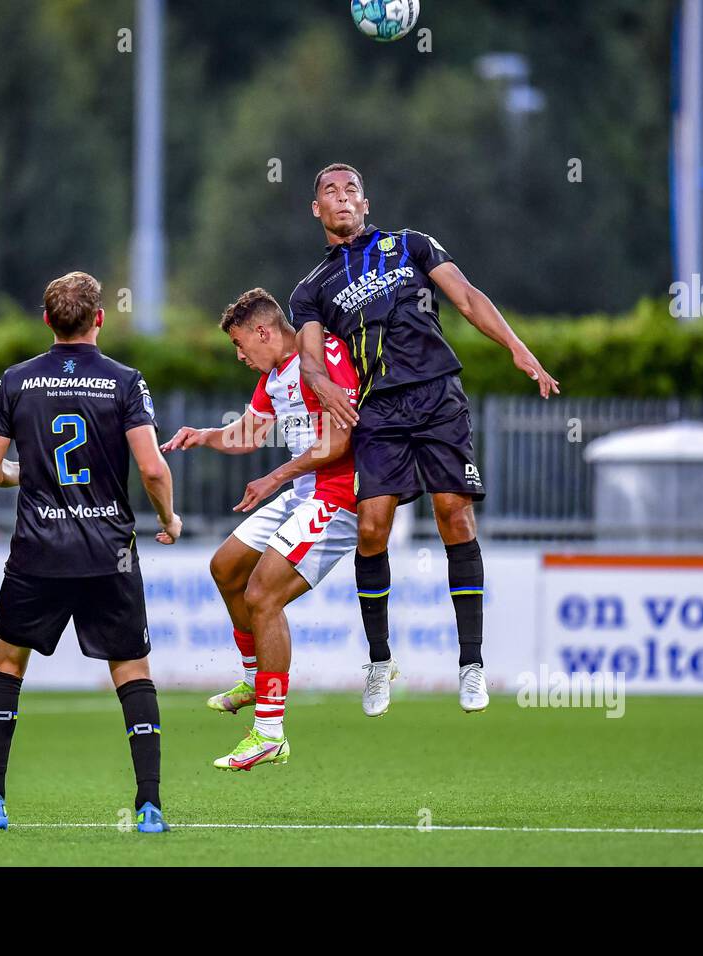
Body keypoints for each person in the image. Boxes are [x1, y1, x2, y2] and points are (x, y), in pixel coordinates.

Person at [290, 163, 559, 716]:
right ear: (316, 209)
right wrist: (325, 389)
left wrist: (515, 345)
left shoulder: (409, 245)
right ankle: (379, 661)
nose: (342, 199)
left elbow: (467, 296)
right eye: (329, 193)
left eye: (351, 191)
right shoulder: (311, 289)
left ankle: (472, 665)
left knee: (453, 514)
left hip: (438, 396)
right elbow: (311, 364)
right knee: (372, 525)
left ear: (366, 203)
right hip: (378, 411)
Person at [0, 271, 181, 834]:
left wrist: (26, 473)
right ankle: (149, 806)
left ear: (46, 321)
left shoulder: (16, 380)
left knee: (7, 664)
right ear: (100, 319)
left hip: (38, 551)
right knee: (130, 668)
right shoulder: (125, 381)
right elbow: (153, 467)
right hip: (110, 550)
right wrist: (168, 519)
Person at [161, 288, 358, 770]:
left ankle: (269, 731)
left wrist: (274, 478)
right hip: (301, 489)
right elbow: (251, 432)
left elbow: (339, 441)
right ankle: (255, 677)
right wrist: (205, 436)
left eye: (240, 343)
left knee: (262, 595)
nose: (239, 355)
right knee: (225, 568)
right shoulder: (274, 376)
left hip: (338, 493)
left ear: (264, 331)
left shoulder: (325, 355)